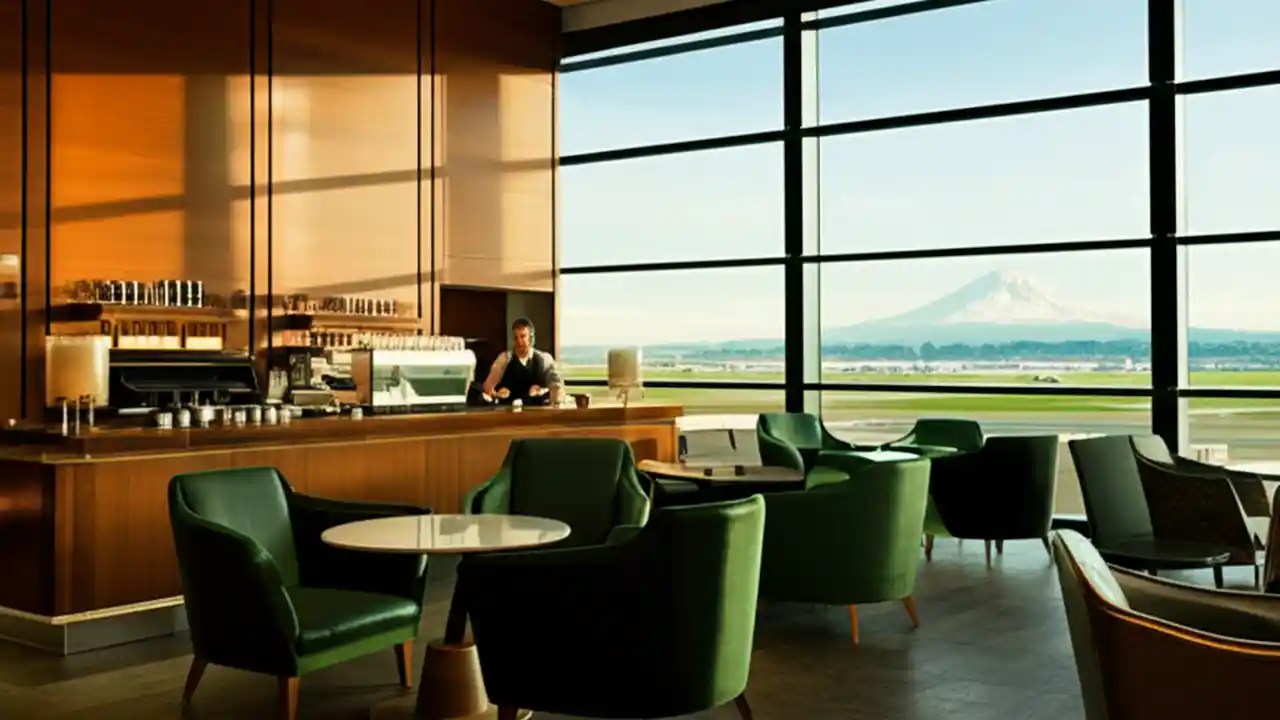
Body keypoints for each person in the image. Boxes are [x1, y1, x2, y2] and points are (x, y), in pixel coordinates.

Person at [482, 318, 563, 405]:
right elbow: (488, 388)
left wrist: (546, 392)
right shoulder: (504, 359)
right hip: (507, 413)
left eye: (523, 336)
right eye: (516, 338)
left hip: (537, 413)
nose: (519, 341)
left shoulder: (543, 359)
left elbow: (557, 385)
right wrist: (497, 394)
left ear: (531, 338)